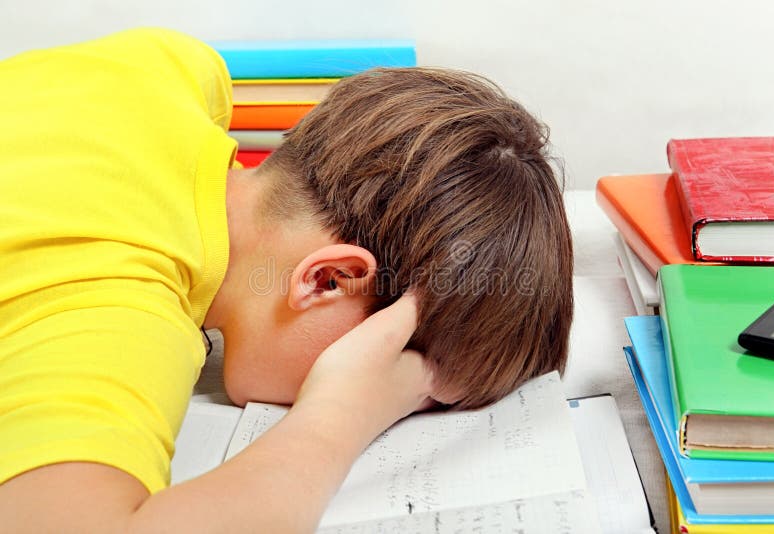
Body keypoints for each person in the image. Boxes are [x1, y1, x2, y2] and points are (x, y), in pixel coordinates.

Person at [0, 27, 573, 532]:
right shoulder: (112, 313)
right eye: (392, 367)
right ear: (329, 280)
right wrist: (342, 414)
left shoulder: (167, 66)